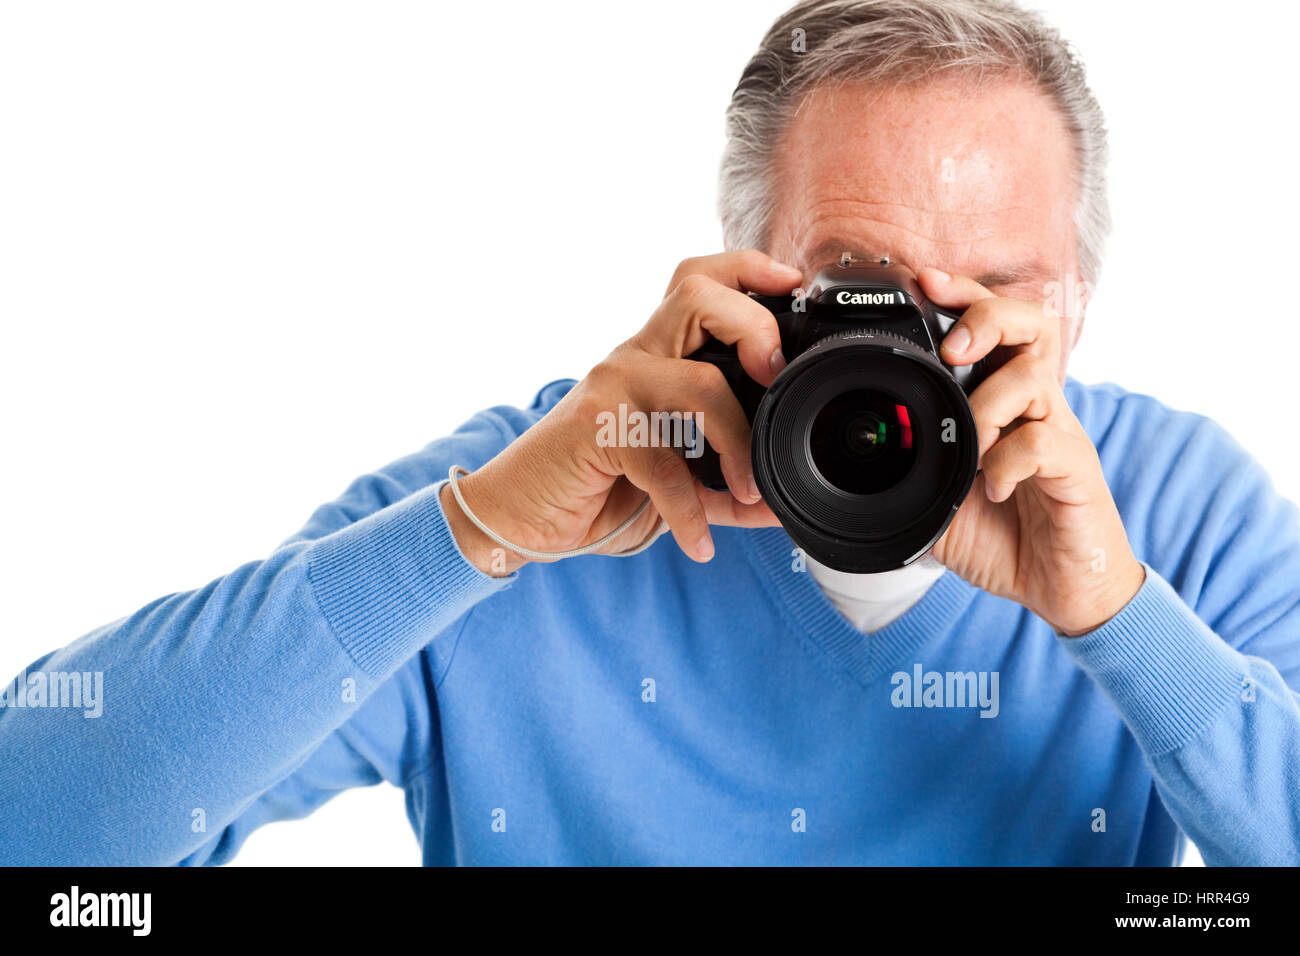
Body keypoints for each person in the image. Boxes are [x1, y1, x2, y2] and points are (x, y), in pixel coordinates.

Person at [2, 0, 1297, 866]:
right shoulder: (550, 487)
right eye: (853, 290)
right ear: (742, 273)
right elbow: (33, 830)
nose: (911, 368)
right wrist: (475, 536)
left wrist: (1119, 617)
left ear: (1077, 307)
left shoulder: (1170, 509)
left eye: (980, 306)